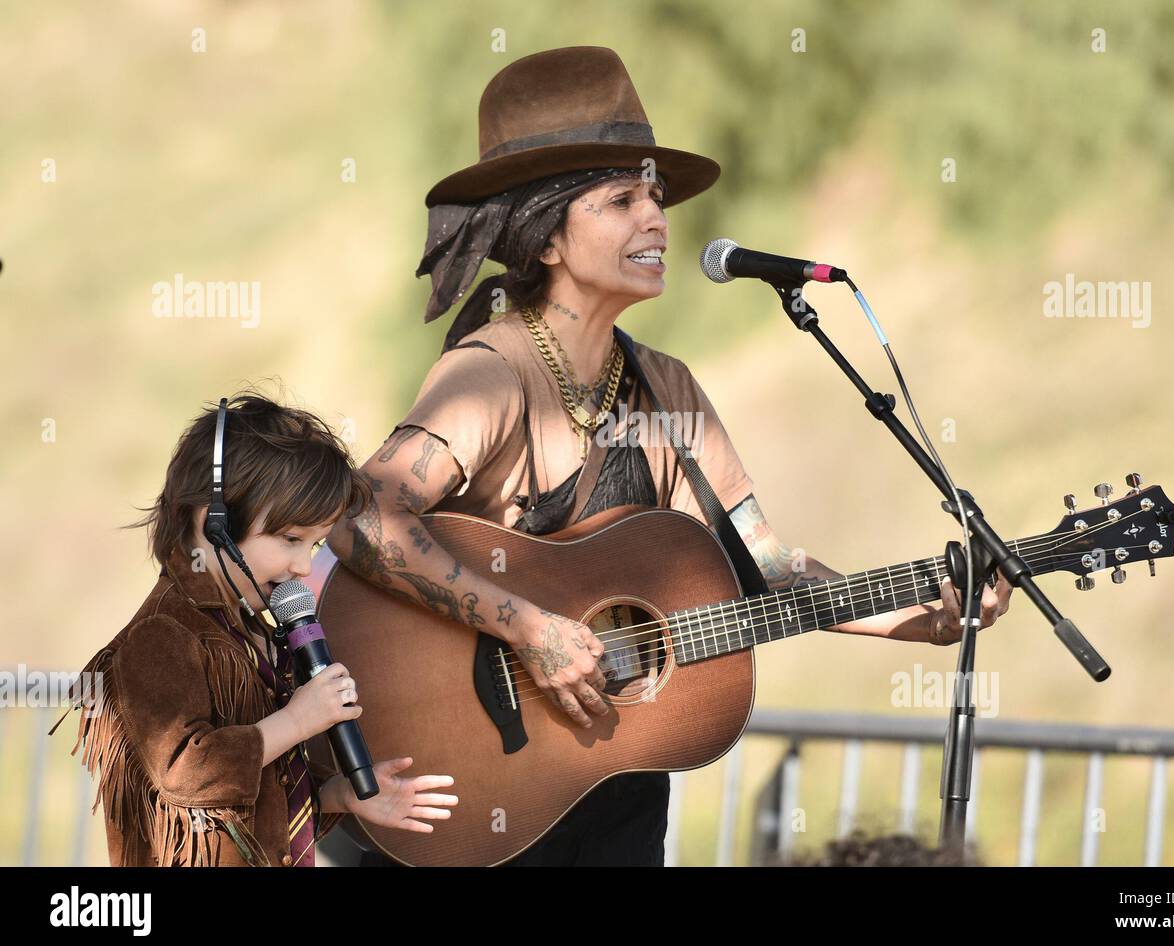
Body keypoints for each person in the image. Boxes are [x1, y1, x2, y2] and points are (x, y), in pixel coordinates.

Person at [328, 46, 1012, 866]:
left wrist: (922, 617)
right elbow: (362, 516)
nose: (656, 218)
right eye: (621, 200)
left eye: (655, 196)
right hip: (480, 783)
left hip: (614, 790)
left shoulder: (667, 388)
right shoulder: (492, 373)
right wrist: (532, 626)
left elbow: (769, 569)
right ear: (546, 237)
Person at [62, 392, 457, 866]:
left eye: (313, 545)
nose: (301, 565)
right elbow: (185, 773)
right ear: (215, 526)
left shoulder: (245, 630)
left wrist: (340, 794)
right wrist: (296, 721)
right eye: (291, 539)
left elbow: (259, 795)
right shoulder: (162, 634)